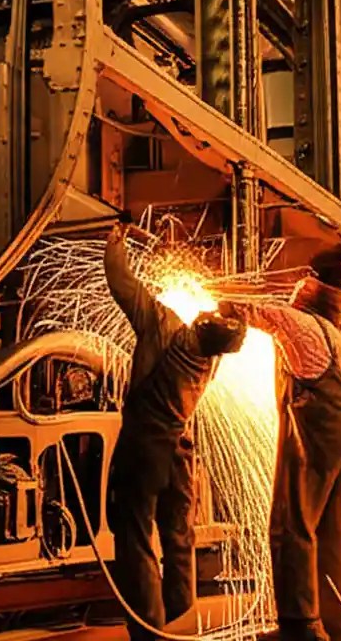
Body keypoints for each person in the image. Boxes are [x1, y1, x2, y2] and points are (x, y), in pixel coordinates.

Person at [103, 222, 247, 641]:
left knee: (135, 535)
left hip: (145, 447)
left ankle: (149, 627)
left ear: (202, 325)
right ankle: (181, 614)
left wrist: (115, 243)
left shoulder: (163, 325)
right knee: (177, 533)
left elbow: (122, 285)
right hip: (180, 451)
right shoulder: (212, 360)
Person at [228, 248, 341, 641]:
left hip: (314, 430)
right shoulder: (334, 334)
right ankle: (335, 628)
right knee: (328, 530)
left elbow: (250, 312)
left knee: (291, 523)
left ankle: (300, 628)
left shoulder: (297, 321)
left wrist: (208, 297)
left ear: (310, 284)